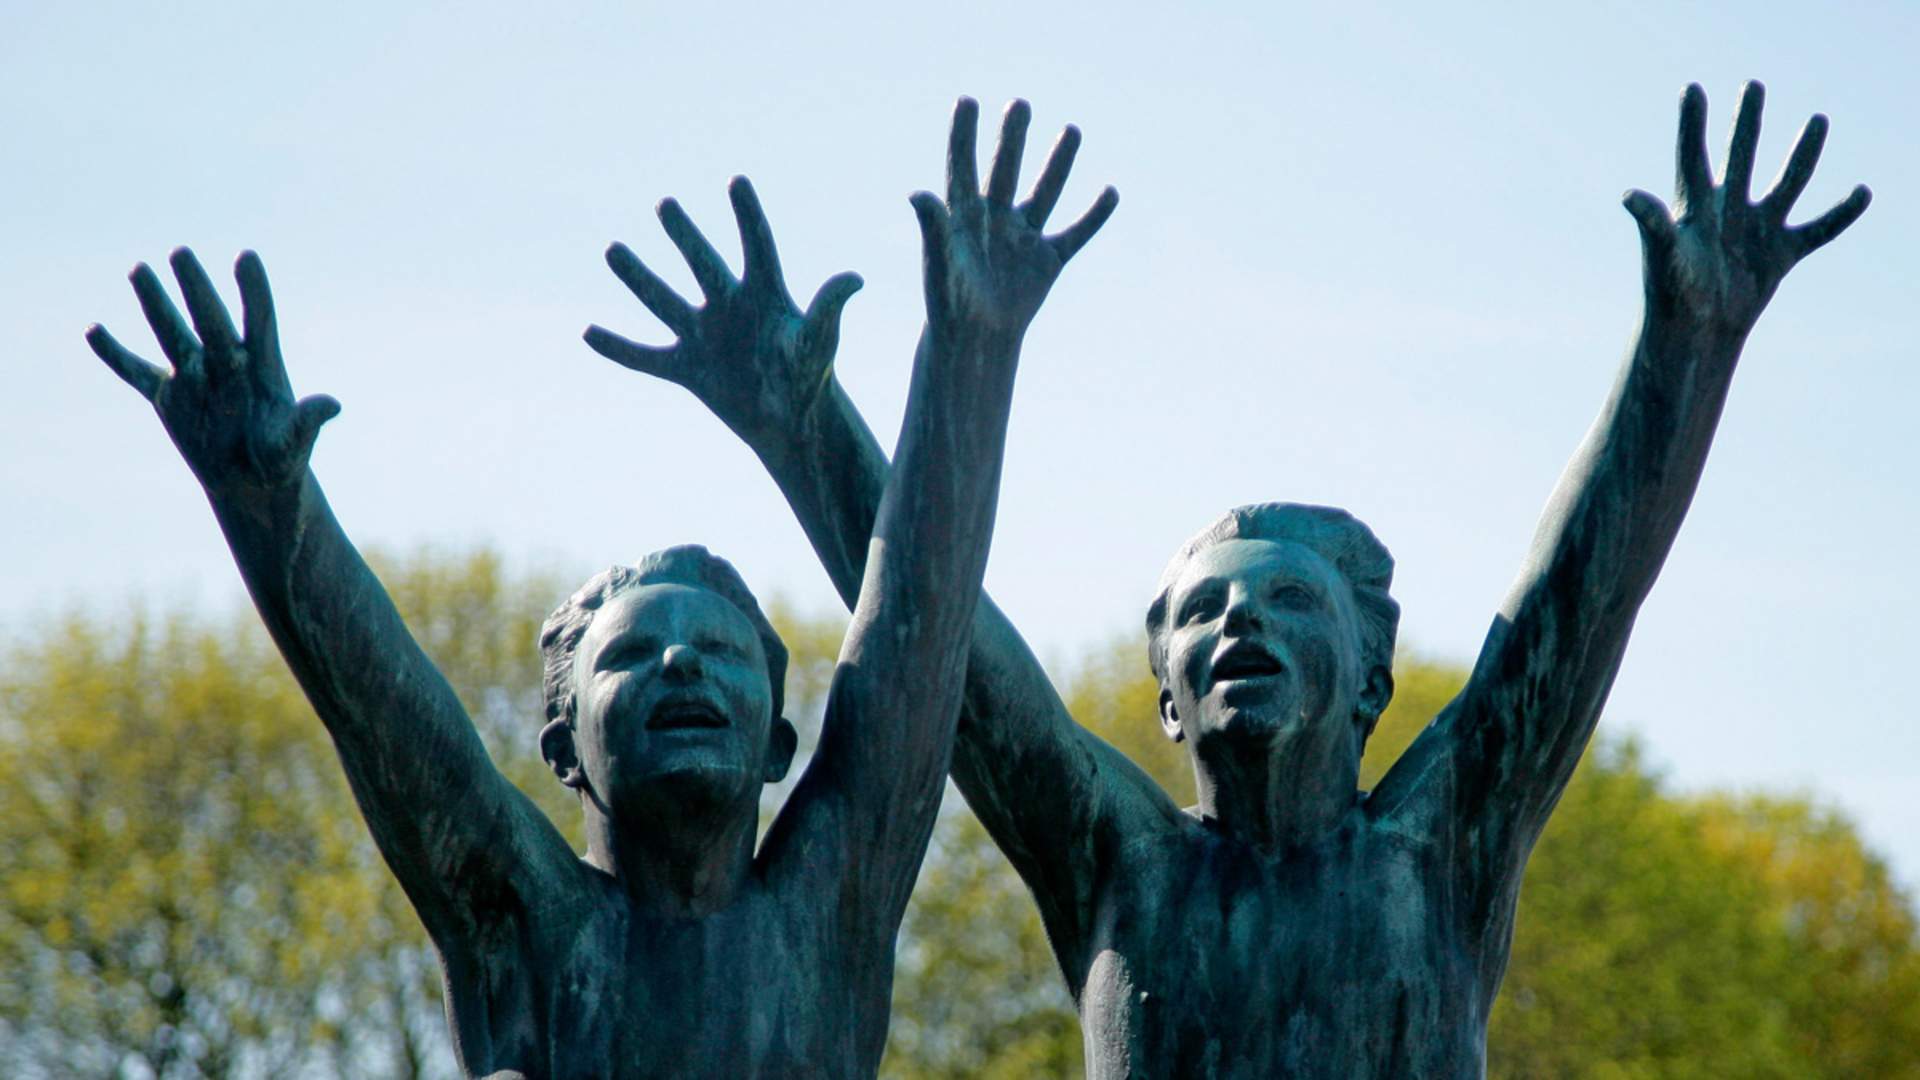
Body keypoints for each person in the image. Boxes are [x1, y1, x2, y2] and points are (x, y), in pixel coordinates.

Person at [596, 83, 1870, 1076]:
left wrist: (1688, 346)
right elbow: (943, 647)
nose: (1238, 622)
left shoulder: (1437, 848)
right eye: (1201, 616)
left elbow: (1577, 601)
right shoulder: (1115, 860)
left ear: (1373, 676)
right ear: (1167, 701)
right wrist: (804, 426)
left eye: (1285, 603)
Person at [82, 95, 1115, 1078]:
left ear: (780, 747)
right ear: (561, 747)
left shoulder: (827, 907)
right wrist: (272, 510)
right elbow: (387, 713)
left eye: (718, 654)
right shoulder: (528, 921)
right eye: (628, 655)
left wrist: (971, 351)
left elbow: (917, 627)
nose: (678, 661)